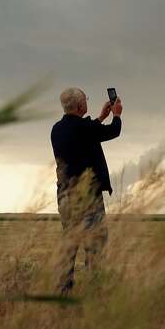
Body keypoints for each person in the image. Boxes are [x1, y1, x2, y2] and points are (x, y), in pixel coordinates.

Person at [50, 86, 123, 294]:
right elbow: (112, 131)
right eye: (86, 100)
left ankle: (63, 290)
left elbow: (85, 133)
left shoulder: (56, 129)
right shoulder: (85, 129)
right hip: (88, 197)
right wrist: (116, 115)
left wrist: (100, 117)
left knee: (70, 242)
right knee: (96, 243)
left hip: (64, 195)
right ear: (81, 105)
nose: (87, 103)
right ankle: (96, 288)